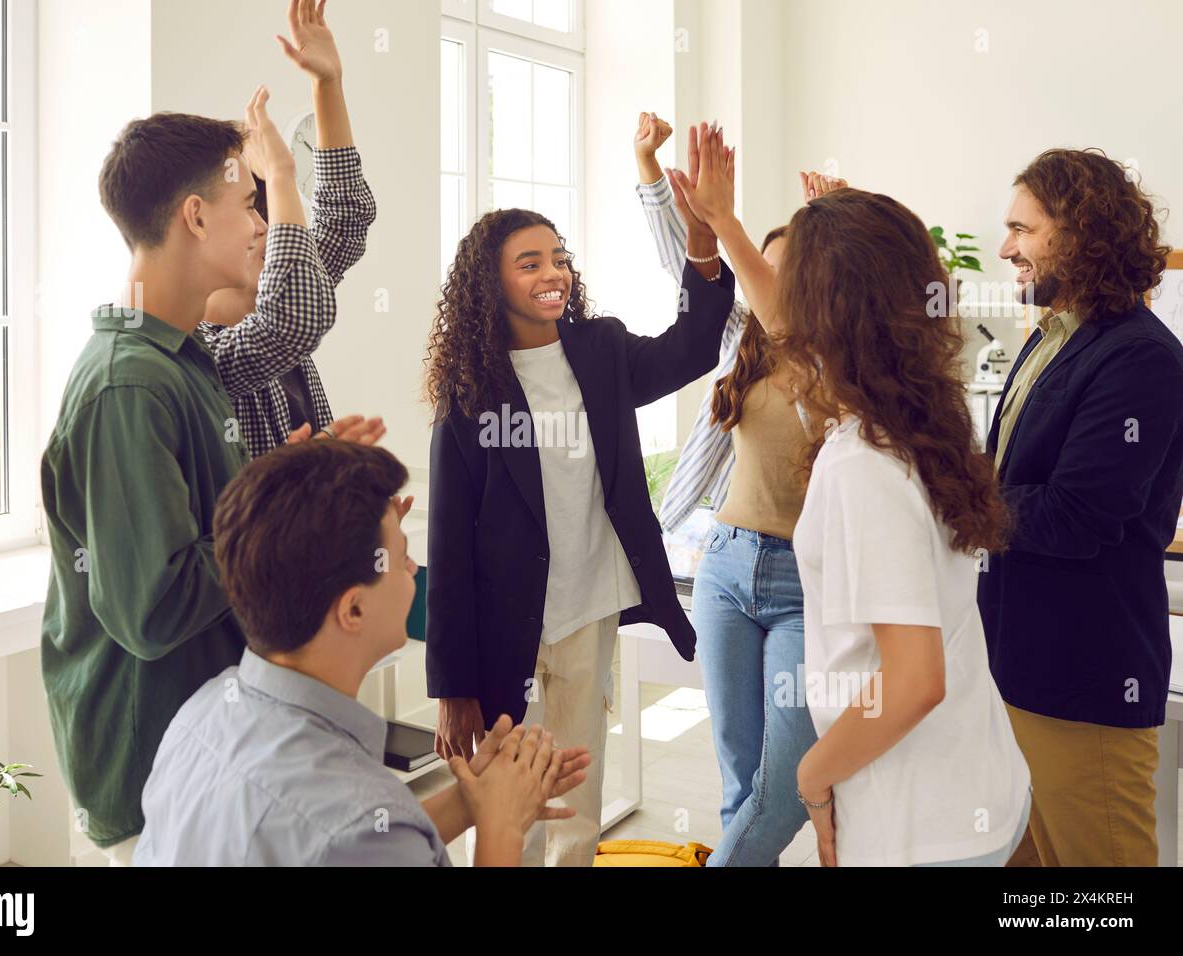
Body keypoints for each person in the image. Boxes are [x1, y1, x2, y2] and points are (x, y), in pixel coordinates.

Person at [40, 3, 379, 865]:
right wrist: (285, 506)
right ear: (195, 217)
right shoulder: (129, 383)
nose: (263, 219)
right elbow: (153, 609)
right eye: (245, 199)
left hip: (203, 753)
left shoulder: (179, 359)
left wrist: (289, 477)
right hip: (156, 775)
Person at [675, 125, 1031, 866]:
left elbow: (913, 682)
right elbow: (786, 322)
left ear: (822, 316)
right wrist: (728, 226)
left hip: (921, 825)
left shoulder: (862, 461)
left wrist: (812, 772)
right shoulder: (918, 410)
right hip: (970, 789)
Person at [424, 204, 735, 866]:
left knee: (576, 799)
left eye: (559, 258)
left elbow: (692, 348)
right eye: (530, 263)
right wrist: (452, 687)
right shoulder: (469, 392)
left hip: (586, 609)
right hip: (505, 629)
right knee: (514, 805)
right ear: (490, 283)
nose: (553, 273)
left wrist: (703, 248)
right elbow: (448, 546)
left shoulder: (601, 351)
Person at [134, 440, 591, 866]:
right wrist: (502, 829)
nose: (413, 570)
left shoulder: (198, 716)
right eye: (401, 557)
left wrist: (471, 799)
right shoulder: (361, 827)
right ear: (352, 608)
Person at [977, 148, 1183, 866]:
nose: (1006, 247)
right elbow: (1016, 477)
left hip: (1084, 678)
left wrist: (960, 496)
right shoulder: (1049, 339)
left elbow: (1076, 515)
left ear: (1080, 233)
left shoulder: (1139, 357)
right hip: (1016, 667)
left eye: (1021, 230)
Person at [635, 112, 822, 866]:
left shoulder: (847, 364)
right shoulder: (740, 337)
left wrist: (829, 211)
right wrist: (650, 169)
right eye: (757, 269)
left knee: (789, 776)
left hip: (811, 582)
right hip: (726, 566)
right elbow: (684, 259)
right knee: (738, 771)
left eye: (775, 271)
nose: (760, 282)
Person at [201, 0, 383, 457]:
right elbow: (289, 320)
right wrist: (280, 174)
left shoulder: (277, 295)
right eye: (250, 209)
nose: (265, 225)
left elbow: (345, 219)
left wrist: (328, 84)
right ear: (197, 225)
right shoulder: (205, 358)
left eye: (263, 208)